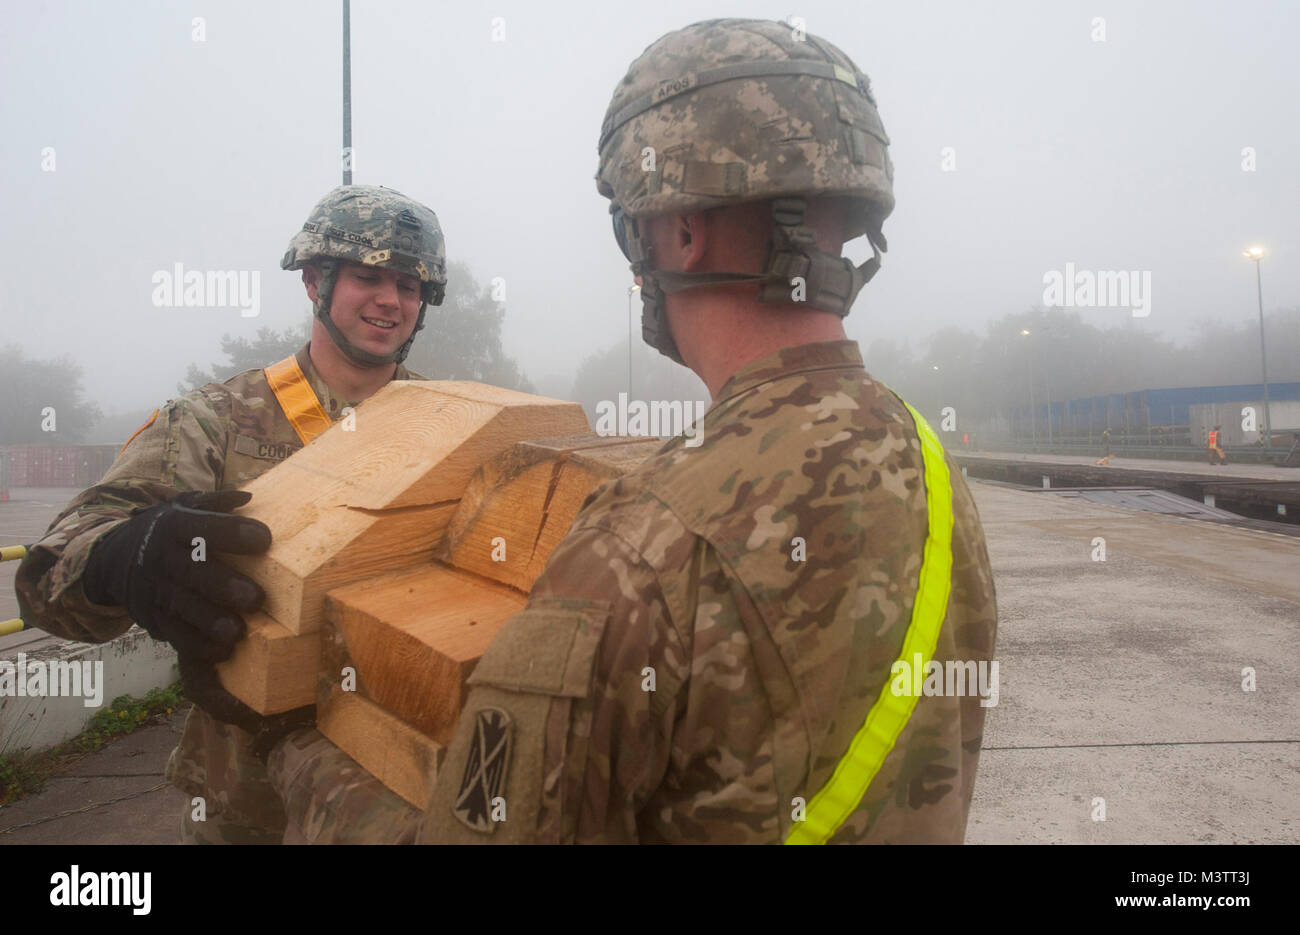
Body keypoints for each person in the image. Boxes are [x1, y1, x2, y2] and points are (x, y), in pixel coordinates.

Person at [411, 18, 999, 843]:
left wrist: (304, 761)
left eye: (632, 226)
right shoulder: (934, 467)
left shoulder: (641, 545)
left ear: (680, 231)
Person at [14, 184, 446, 844]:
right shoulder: (215, 421)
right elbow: (47, 580)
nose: (392, 299)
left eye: (411, 284)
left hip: (406, 795)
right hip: (252, 803)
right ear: (314, 281)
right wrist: (122, 558)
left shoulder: (448, 423)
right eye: (368, 276)